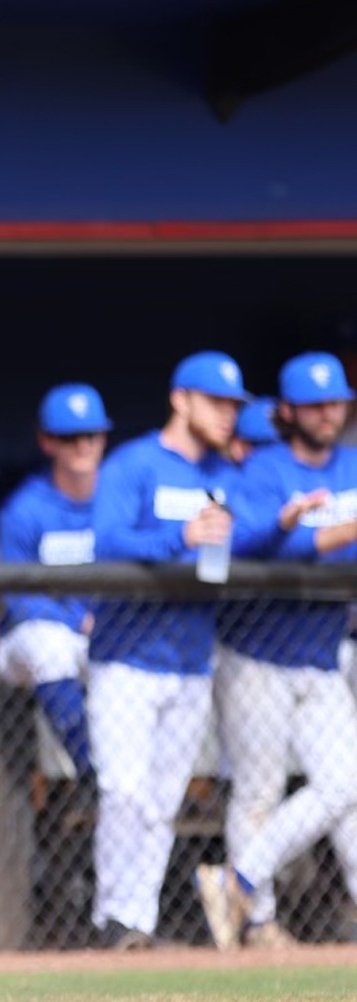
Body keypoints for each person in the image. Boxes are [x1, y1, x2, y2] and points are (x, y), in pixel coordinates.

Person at [198, 352, 357, 950]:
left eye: (336, 401)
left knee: (346, 784)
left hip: (320, 653)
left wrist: (320, 540)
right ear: (288, 411)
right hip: (257, 655)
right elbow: (260, 553)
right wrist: (327, 537)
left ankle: (237, 877)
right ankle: (258, 921)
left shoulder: (352, 466)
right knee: (259, 790)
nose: (328, 413)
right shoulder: (260, 471)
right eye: (315, 404)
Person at [87, 350, 245, 950]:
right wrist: (180, 535)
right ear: (181, 399)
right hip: (126, 656)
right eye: (217, 402)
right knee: (122, 791)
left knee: (162, 802)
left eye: (234, 405)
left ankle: (139, 923)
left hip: (191, 658)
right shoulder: (135, 463)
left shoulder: (225, 474)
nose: (227, 415)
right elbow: (106, 541)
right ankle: (112, 917)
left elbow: (249, 533)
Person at [0, 383, 110, 782]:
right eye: (69, 437)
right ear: (47, 442)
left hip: (105, 632)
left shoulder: (117, 499)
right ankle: (89, 769)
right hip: (26, 641)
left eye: (90, 435)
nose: (82, 446)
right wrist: (79, 620)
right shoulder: (25, 509)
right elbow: (18, 598)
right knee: (50, 644)